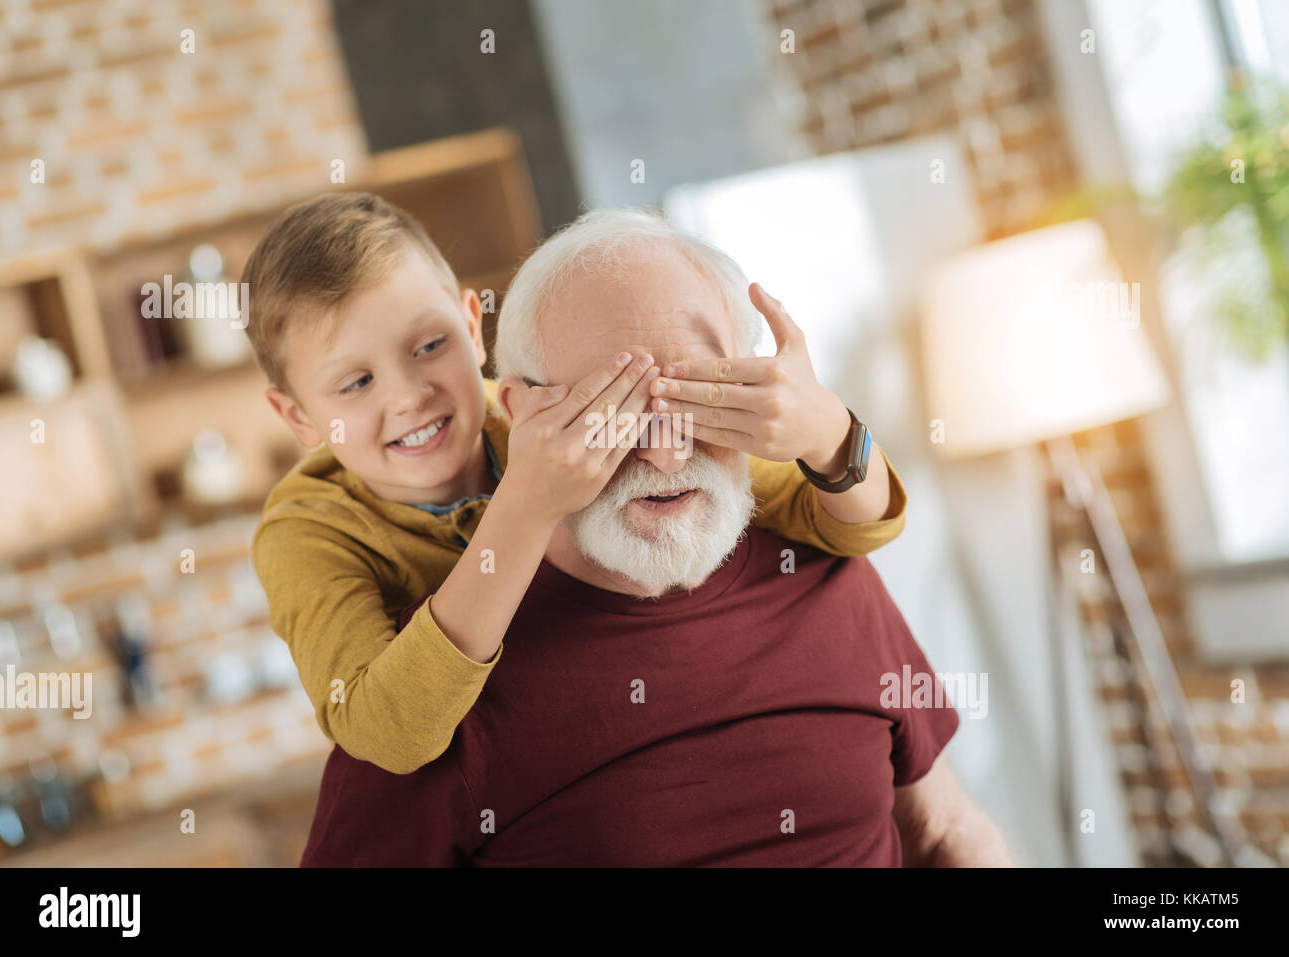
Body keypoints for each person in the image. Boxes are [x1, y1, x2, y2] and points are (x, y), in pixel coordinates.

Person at [299, 208, 1014, 866]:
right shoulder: (431, 672)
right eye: (615, 413)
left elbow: (945, 830)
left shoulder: (825, 567)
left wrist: (831, 429)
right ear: (519, 412)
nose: (669, 454)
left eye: (705, 401)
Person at [246, 193, 909, 774]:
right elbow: (388, 732)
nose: (410, 397)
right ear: (298, 416)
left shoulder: (545, 408)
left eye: (429, 346)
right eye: (356, 383)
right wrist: (528, 507)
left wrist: (829, 432)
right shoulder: (305, 531)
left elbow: (854, 522)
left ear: (473, 326)